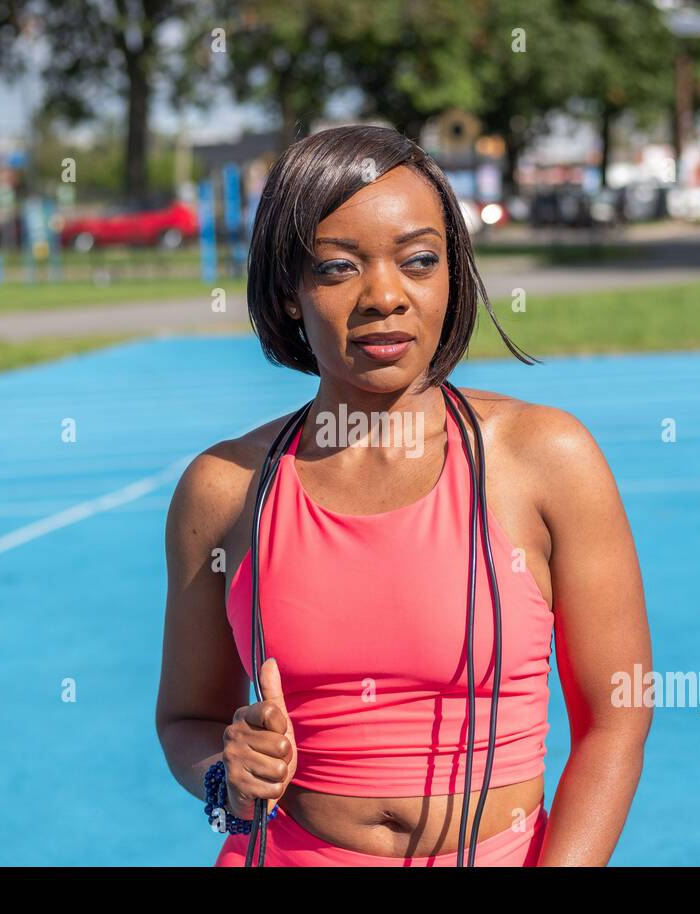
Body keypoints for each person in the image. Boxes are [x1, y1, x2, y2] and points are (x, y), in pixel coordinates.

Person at [156, 124, 653, 866]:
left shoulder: (546, 459)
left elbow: (619, 716)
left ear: (452, 275)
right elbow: (187, 718)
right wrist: (229, 778)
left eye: (418, 260)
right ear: (289, 293)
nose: (384, 296)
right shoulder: (224, 489)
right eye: (336, 268)